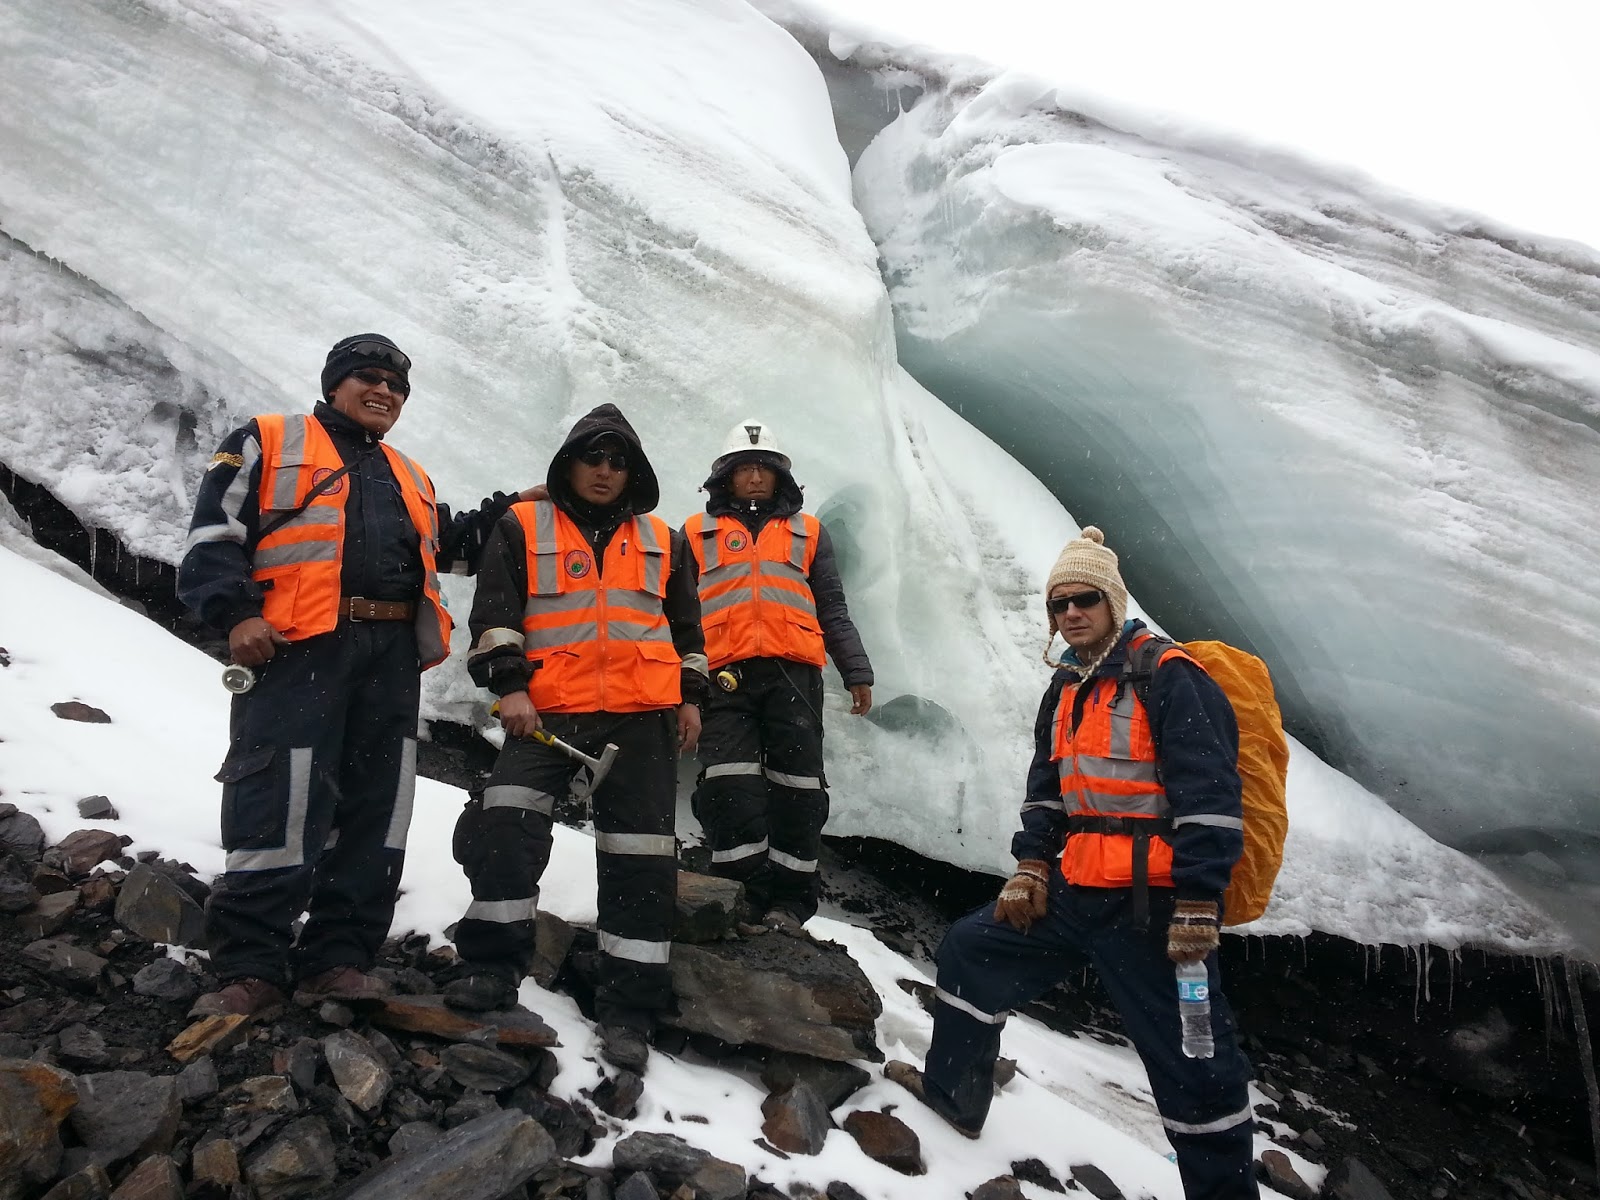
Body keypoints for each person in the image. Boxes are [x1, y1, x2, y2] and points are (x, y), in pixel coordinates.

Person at [886, 525, 1258, 1200]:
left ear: (1112, 600)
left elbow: (1210, 798)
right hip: (1077, 889)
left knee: (1197, 1061)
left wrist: (1201, 900)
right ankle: (953, 1099)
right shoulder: (1067, 688)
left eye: (1084, 599)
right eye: (1059, 605)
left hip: (1154, 905)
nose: (1071, 614)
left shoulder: (1170, 677)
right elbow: (1047, 789)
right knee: (971, 952)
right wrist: (1032, 863)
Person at [178, 333, 537, 1018]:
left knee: (378, 806)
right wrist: (235, 614)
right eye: (369, 377)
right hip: (298, 647)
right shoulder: (267, 438)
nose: (385, 392)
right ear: (334, 383)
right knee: (279, 796)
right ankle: (250, 964)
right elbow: (212, 535)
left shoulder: (409, 475)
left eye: (397, 386)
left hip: (389, 656)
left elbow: (450, 548)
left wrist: (514, 505)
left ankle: (338, 959)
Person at [446, 403, 708, 1073]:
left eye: (618, 460)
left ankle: (629, 1004)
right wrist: (510, 688)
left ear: (634, 471)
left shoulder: (666, 541)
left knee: (642, 857)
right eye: (593, 456)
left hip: (641, 719)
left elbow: (687, 636)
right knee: (506, 817)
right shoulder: (522, 526)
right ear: (569, 462)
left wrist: (690, 701)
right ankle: (493, 965)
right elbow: (496, 619)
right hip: (548, 713)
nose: (604, 469)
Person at [681, 419, 873, 934]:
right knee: (727, 786)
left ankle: (790, 906)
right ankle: (740, 897)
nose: (755, 478)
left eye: (764, 469)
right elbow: (675, 617)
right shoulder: (694, 535)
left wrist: (856, 670)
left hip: (795, 678)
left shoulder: (809, 532)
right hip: (722, 677)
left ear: (780, 477)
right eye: (744, 468)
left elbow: (831, 607)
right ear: (725, 477)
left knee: (800, 792)